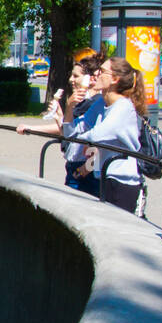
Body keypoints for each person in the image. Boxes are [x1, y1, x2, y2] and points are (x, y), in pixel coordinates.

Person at [57, 55, 145, 213]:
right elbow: (72, 132)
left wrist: (80, 141)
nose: (96, 73)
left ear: (115, 79)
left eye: (102, 71)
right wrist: (70, 107)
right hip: (105, 177)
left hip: (122, 181)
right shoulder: (101, 103)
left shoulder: (123, 107)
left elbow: (97, 135)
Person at [17, 54, 104, 196]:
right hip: (74, 167)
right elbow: (68, 133)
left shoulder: (96, 103)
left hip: (84, 169)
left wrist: (85, 169)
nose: (71, 80)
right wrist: (61, 115)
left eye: (76, 76)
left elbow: (101, 141)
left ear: (91, 78)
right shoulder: (81, 102)